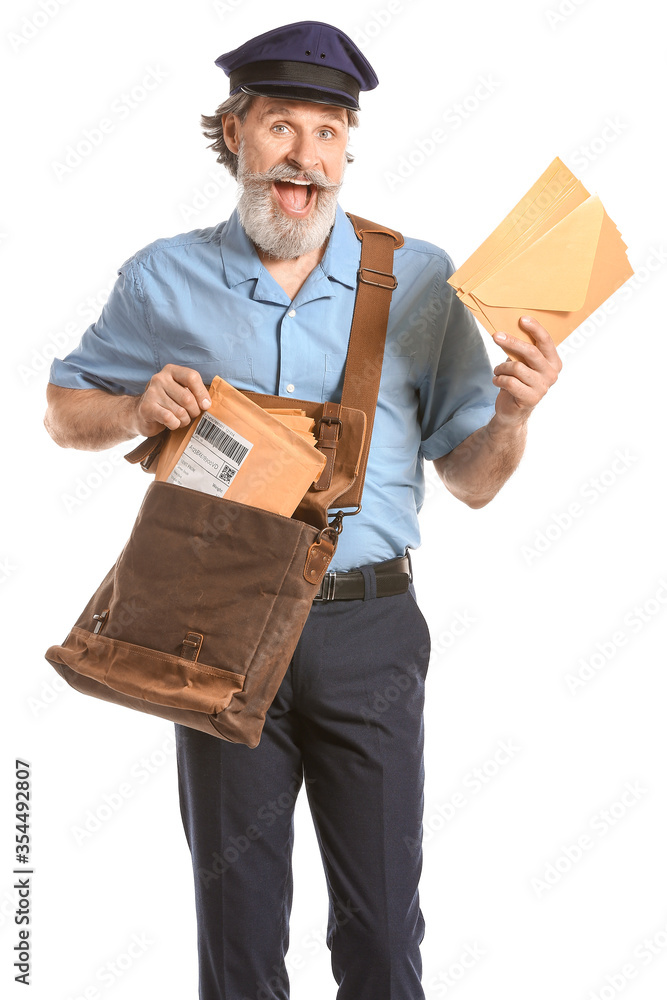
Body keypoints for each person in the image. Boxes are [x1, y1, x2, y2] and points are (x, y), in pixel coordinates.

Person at [44, 20, 561, 1000]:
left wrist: (515, 411)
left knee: (379, 933)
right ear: (235, 132)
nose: (307, 157)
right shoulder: (164, 278)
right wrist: (132, 405)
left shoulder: (416, 279)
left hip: (368, 629)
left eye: (329, 133)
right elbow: (65, 411)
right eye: (283, 127)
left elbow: (476, 479)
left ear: (348, 148)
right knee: (235, 934)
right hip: (213, 625)